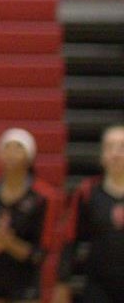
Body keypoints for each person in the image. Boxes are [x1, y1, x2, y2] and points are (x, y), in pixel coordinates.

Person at [0, 128, 60, 303]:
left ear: (30, 155)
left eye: (18, 147)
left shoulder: (43, 196)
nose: (11, 153)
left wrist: (9, 243)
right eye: (7, 147)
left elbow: (39, 253)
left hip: (26, 281)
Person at [54, 123, 124, 303]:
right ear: (102, 155)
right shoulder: (87, 192)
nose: (116, 154)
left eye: (122, 147)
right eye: (110, 147)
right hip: (98, 287)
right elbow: (70, 240)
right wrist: (62, 283)